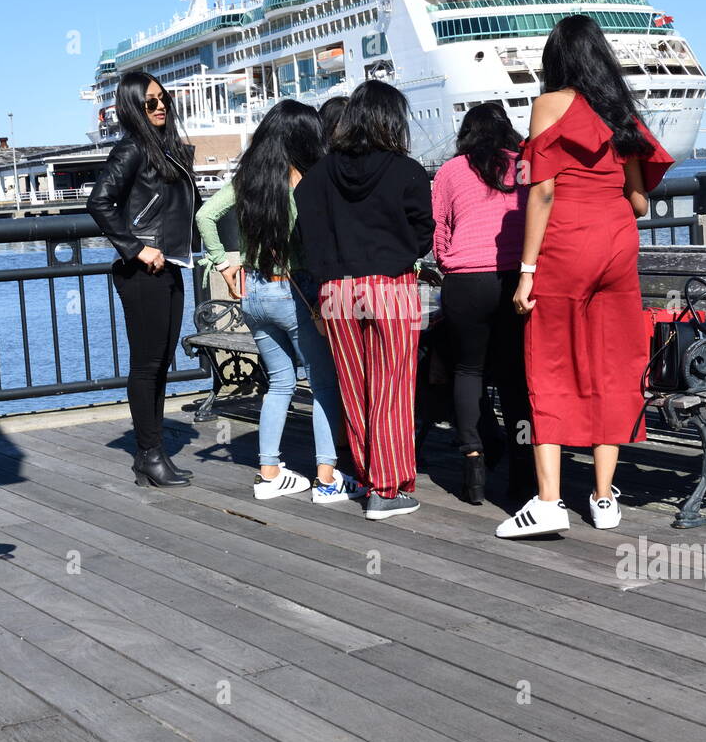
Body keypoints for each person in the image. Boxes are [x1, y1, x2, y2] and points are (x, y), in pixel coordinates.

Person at [496, 15, 674, 539]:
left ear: (559, 59)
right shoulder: (623, 115)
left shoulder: (550, 105)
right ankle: (602, 498)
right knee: (612, 364)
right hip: (618, 245)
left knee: (549, 360)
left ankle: (549, 503)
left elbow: (542, 193)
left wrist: (527, 272)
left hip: (569, 244)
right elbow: (640, 202)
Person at [195, 100, 363, 503]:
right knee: (324, 384)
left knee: (281, 383)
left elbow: (204, 216)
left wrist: (223, 264)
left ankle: (269, 473)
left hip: (253, 293)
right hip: (297, 294)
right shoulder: (305, 181)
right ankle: (327, 479)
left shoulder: (247, 180)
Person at [294, 81, 433, 521]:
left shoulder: (317, 176)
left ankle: (368, 475)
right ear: (391, 120)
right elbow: (423, 232)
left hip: (336, 290)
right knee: (393, 386)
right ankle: (388, 491)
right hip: (390, 286)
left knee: (355, 388)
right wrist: (399, 249)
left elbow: (305, 237)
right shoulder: (406, 170)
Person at [88, 71, 198, 488]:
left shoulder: (163, 150)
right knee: (147, 364)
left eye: (162, 99)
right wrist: (135, 248)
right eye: (149, 102)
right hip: (143, 272)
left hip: (170, 266)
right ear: (133, 107)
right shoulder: (132, 149)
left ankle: (151, 455)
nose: (160, 107)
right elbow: (99, 201)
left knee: (160, 365)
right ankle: (149, 454)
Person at [432, 102, 534, 505]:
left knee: (467, 370)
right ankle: (524, 473)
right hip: (515, 279)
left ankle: (474, 464)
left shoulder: (450, 170)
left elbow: (439, 232)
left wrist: (450, 263)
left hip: (464, 282)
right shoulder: (523, 165)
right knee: (515, 379)